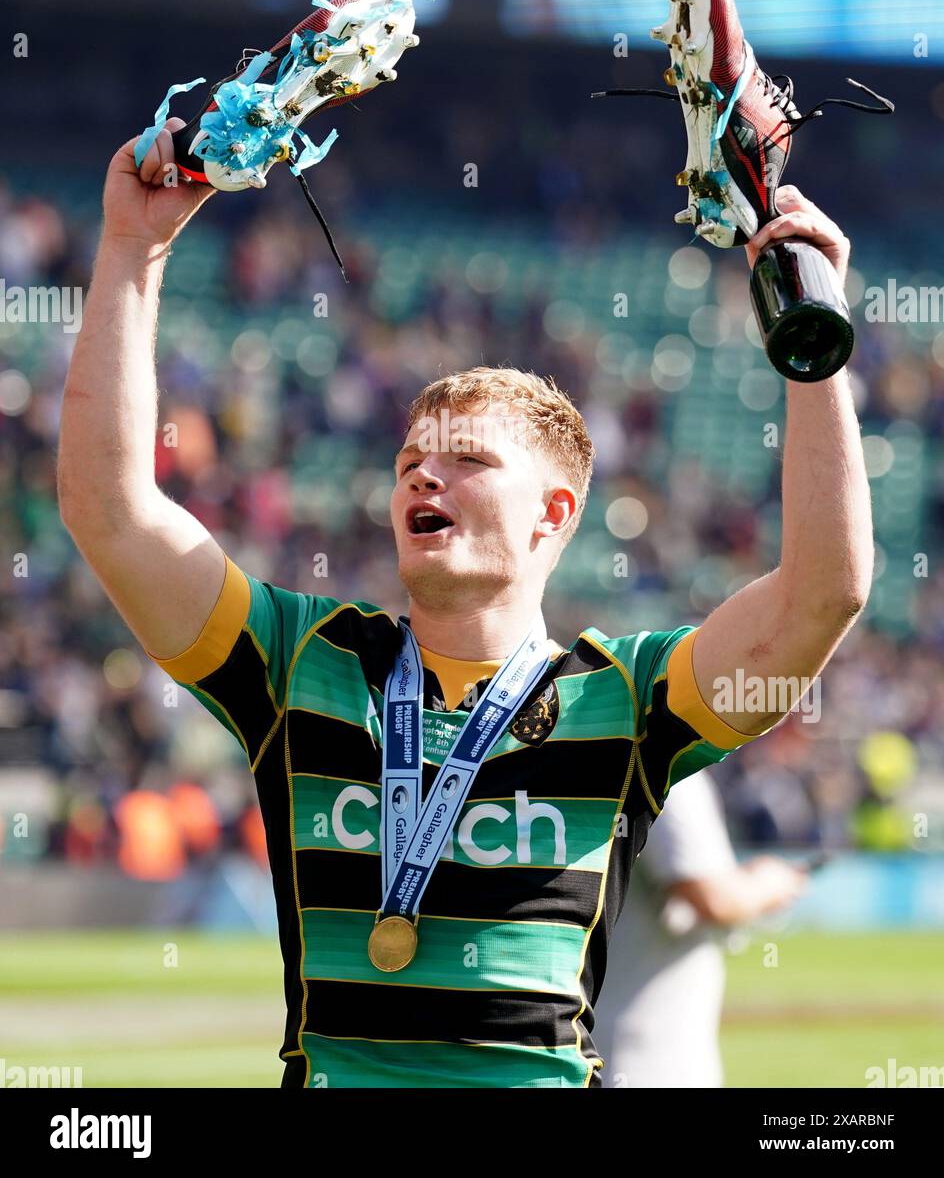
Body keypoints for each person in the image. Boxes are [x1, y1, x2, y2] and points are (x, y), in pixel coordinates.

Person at [57, 116, 872, 1088]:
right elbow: (109, 512)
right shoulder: (296, 659)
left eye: (466, 460)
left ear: (552, 515)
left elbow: (823, 593)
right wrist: (132, 248)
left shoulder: (626, 697)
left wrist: (811, 339)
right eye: (409, 462)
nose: (421, 479)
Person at [593, 770, 808, 1088]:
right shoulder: (670, 775)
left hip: (602, 1041)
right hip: (644, 1058)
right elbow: (715, 900)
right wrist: (771, 881)